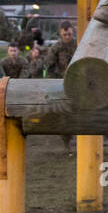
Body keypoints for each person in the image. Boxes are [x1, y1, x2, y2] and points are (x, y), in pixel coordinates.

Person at [41, 20, 78, 155]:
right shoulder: (56, 48)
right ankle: (67, 143)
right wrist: (50, 84)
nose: (67, 37)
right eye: (64, 35)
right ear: (60, 34)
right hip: (62, 84)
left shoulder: (80, 45)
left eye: (69, 34)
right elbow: (48, 66)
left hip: (79, 83)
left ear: (72, 32)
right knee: (64, 114)